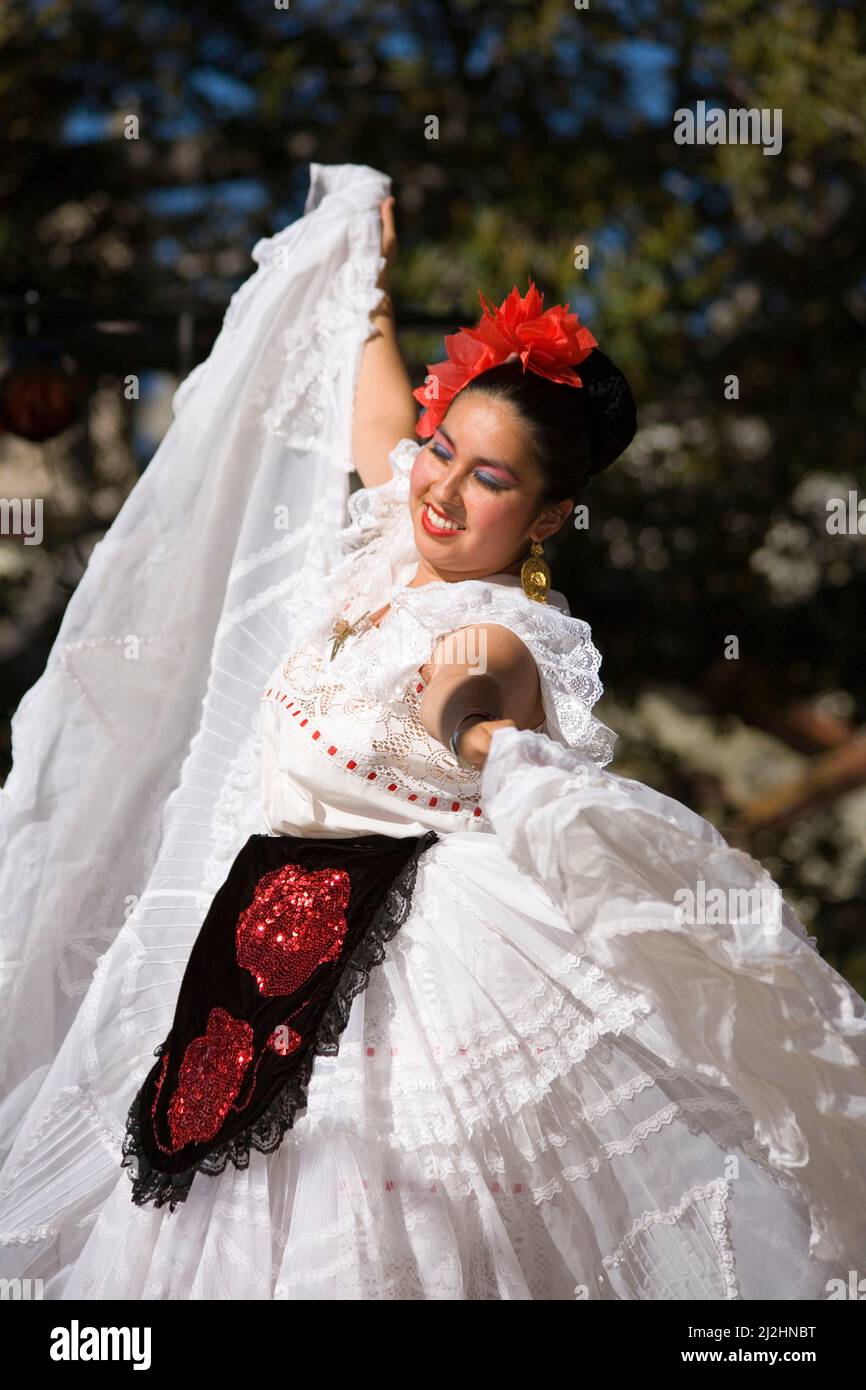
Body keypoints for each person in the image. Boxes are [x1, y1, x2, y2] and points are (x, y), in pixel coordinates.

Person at [1, 164, 864, 1301]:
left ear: (550, 516)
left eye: (489, 477)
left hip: (386, 1011)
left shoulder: (497, 633)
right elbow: (375, 411)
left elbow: (471, 691)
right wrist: (365, 254)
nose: (442, 488)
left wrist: (474, 735)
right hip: (247, 959)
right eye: (442, 447)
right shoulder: (394, 540)